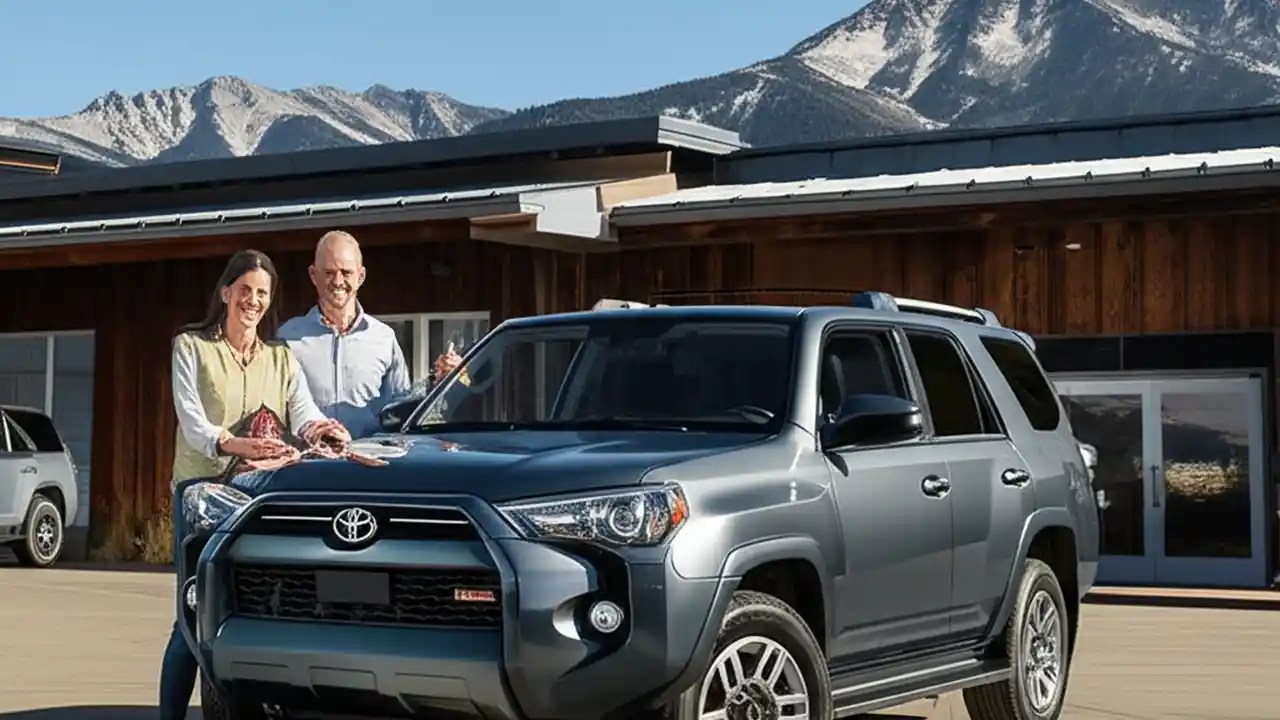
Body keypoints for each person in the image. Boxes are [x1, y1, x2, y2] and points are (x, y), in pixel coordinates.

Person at [158, 249, 350, 720]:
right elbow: (192, 422)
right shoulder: (191, 347)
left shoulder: (280, 357)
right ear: (226, 293)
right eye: (245, 290)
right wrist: (237, 445)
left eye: (262, 294)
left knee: (258, 610)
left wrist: (323, 429)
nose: (254, 301)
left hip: (258, 499)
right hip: (201, 496)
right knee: (192, 619)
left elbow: (302, 413)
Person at [279, 229, 461, 439]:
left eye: (346, 272)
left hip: (369, 466)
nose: (338, 281)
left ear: (361, 276)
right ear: (313, 275)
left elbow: (400, 408)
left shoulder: (384, 338)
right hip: (309, 465)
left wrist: (436, 384)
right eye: (329, 272)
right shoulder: (288, 339)